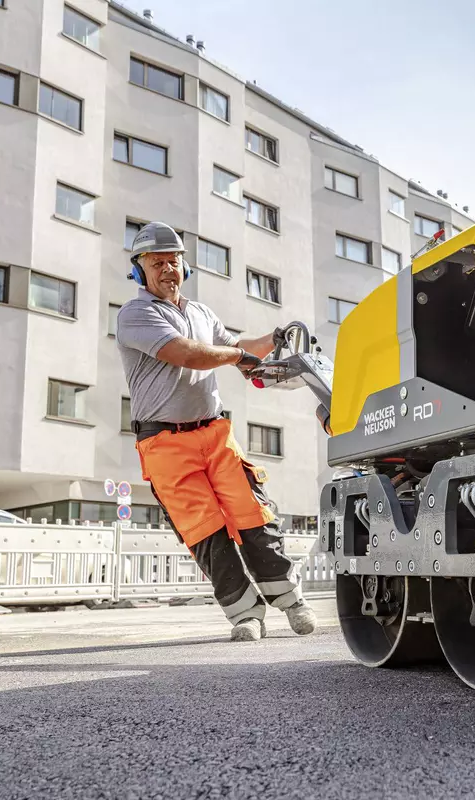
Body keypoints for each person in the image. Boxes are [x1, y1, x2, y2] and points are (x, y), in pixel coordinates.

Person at [115, 221, 317, 642]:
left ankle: (291, 601)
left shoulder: (201, 313)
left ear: (185, 267)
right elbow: (187, 354)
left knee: (253, 515)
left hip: (215, 433)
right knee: (205, 531)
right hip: (164, 442)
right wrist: (240, 356)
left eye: (174, 261)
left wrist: (272, 339)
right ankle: (245, 615)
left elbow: (236, 346)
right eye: (157, 263)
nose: (168, 269)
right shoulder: (136, 314)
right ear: (138, 270)